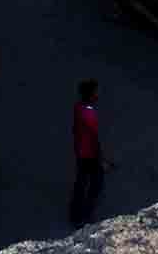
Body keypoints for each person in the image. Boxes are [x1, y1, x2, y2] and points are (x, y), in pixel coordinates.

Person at [67, 80, 108, 226]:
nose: (98, 94)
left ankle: (76, 213)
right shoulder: (89, 114)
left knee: (81, 182)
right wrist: (101, 159)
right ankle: (84, 215)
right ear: (91, 95)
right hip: (89, 155)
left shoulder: (79, 107)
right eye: (96, 92)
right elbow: (93, 138)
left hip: (80, 151)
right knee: (95, 184)